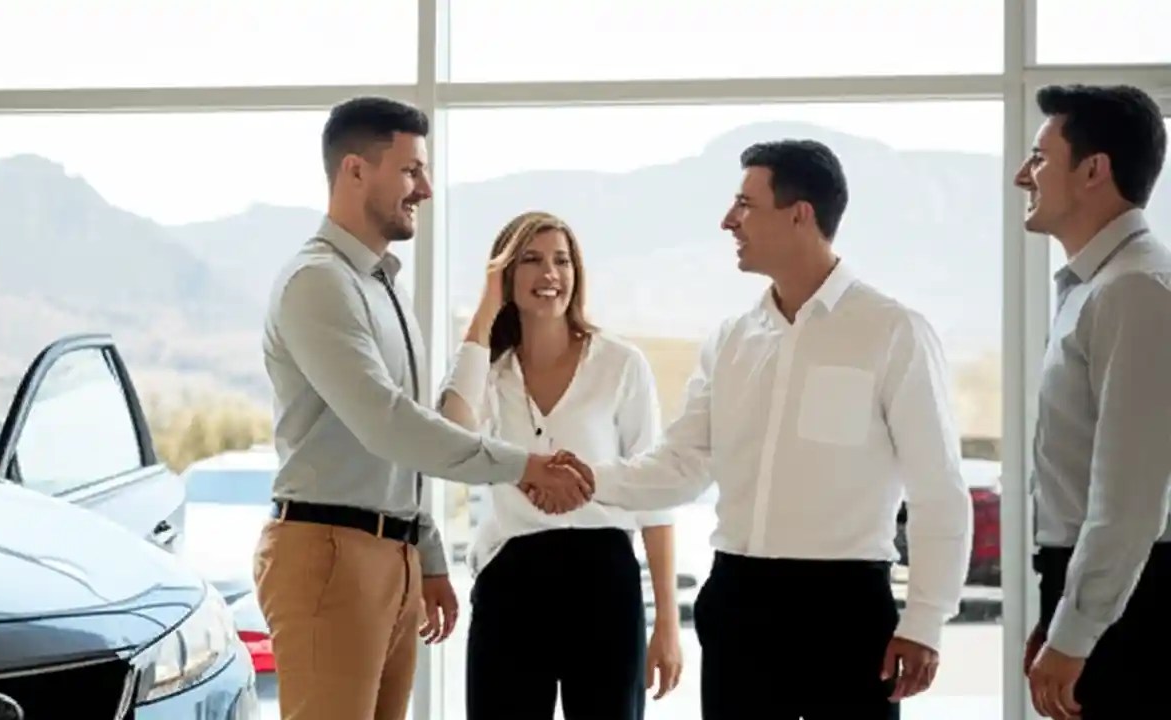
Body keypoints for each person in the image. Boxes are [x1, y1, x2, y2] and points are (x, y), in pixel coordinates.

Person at [553, 139, 973, 719]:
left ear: (800, 214)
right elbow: (682, 463)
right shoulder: (732, 339)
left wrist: (926, 620)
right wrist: (586, 481)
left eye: (744, 204)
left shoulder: (893, 331)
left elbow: (939, 489)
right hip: (737, 603)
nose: (729, 221)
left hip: (847, 613)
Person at [253, 96, 594, 720]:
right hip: (331, 554)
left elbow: (420, 428)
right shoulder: (318, 282)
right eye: (412, 171)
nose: (426, 189)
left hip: (390, 555)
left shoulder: (383, 286)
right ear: (356, 170)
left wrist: (425, 552)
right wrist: (525, 465)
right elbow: (389, 424)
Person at [437, 210, 684, 720]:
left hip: (604, 583)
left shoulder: (620, 364)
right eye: (530, 260)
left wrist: (666, 623)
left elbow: (654, 494)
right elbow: (451, 436)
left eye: (562, 260)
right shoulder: (490, 371)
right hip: (511, 582)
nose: (550, 274)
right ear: (506, 276)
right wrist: (484, 311)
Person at [1014, 84, 1171, 720]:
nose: (1022, 175)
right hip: (1102, 589)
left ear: (1093, 170)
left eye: (1039, 157)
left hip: (1137, 604)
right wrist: (1060, 617)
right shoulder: (1099, 286)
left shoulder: (1136, 290)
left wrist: (1077, 632)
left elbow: (1129, 502)